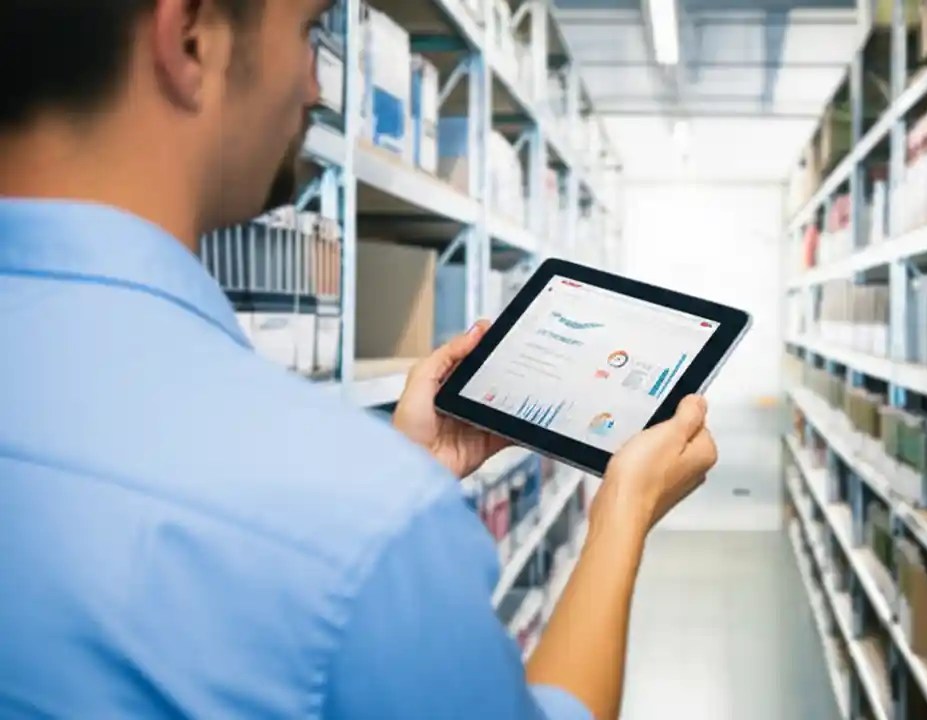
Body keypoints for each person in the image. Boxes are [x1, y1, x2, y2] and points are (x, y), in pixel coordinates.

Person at [0, 1, 719, 719]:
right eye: (308, 34)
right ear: (191, 39)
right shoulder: (364, 520)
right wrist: (623, 510)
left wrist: (412, 469)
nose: (316, 86)